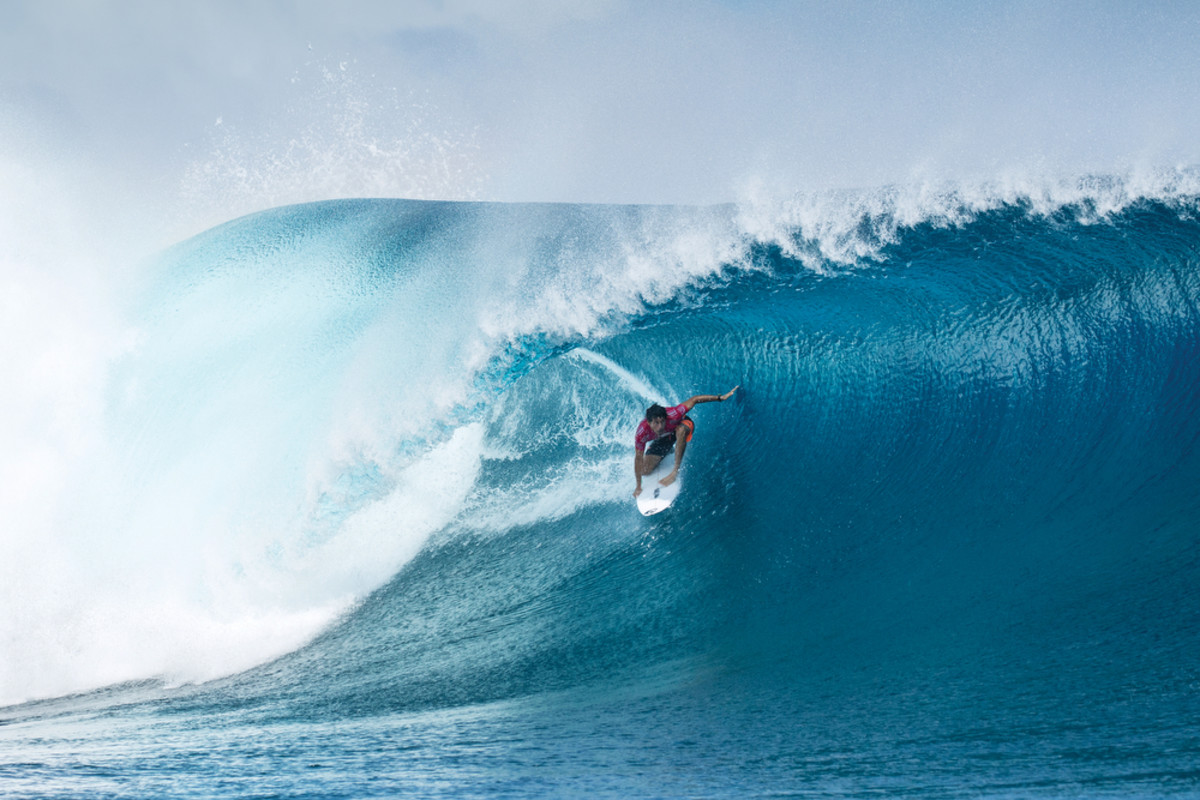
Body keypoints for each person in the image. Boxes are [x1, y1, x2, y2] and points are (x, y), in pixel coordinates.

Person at [634, 386, 739, 498]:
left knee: (681, 430)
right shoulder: (641, 433)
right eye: (656, 423)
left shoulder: (674, 414)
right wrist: (638, 486)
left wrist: (720, 398)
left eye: (662, 422)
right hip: (666, 437)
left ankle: (675, 471)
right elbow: (638, 458)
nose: (660, 426)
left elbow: (694, 399)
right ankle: (667, 449)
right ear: (649, 422)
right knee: (644, 471)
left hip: (683, 425)